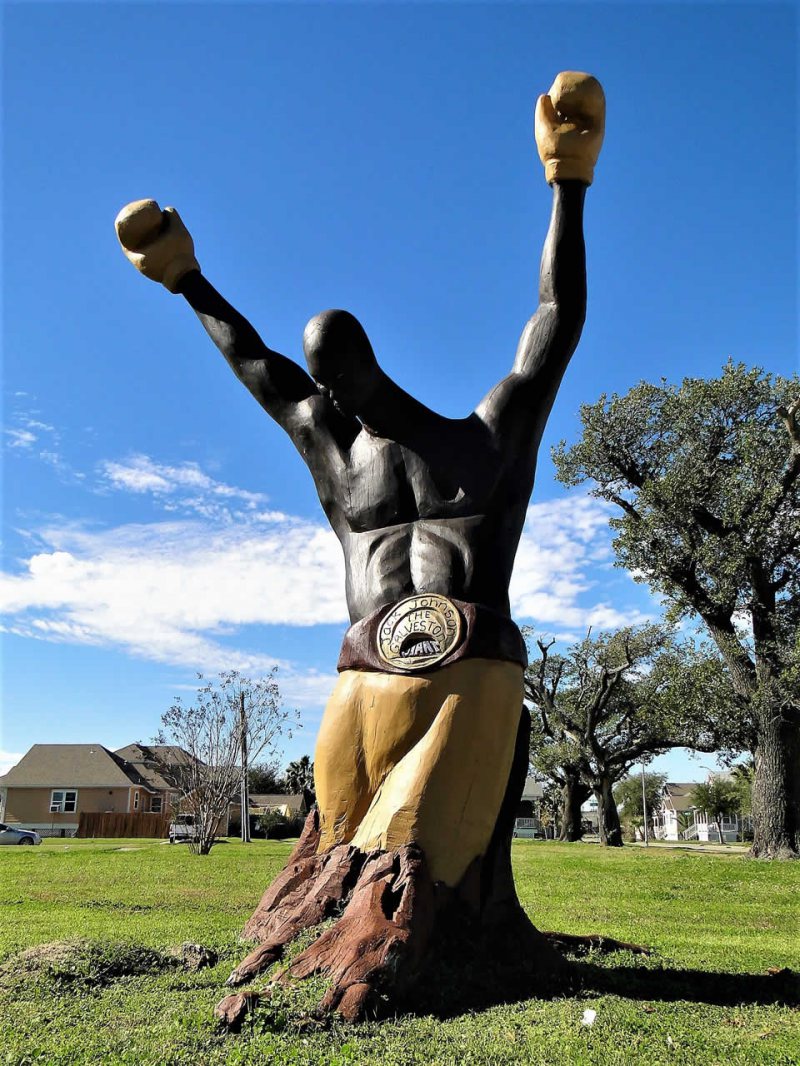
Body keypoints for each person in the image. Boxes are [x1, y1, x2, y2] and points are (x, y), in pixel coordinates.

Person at [115, 72, 605, 889]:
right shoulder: (336, 455)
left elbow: (554, 322)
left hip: (472, 673)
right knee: (331, 876)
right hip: (359, 677)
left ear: (370, 359)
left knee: (410, 873)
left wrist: (569, 182)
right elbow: (255, 364)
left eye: (339, 374)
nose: (330, 393)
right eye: (322, 380)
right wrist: (183, 276)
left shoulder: (486, 440)